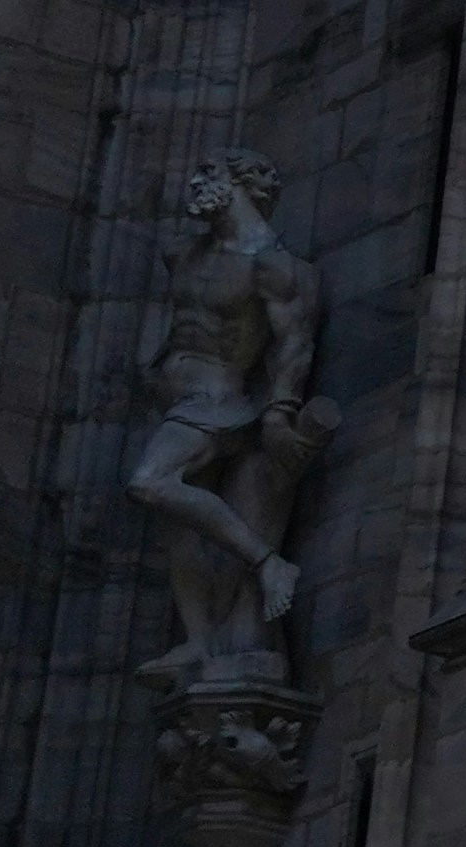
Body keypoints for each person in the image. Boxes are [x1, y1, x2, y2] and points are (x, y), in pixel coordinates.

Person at [127, 154, 330, 679]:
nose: (195, 182)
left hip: (219, 402)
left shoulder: (272, 265)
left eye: (210, 173)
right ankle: (199, 640)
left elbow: (293, 346)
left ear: (243, 184)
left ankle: (269, 563)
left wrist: (279, 413)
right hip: (174, 402)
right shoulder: (183, 254)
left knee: (149, 483)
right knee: (181, 526)